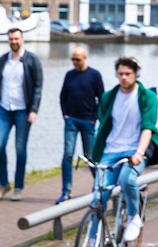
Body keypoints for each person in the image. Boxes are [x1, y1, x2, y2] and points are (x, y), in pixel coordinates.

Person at [87, 56, 158, 242]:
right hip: (111, 151)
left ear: (136, 74)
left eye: (128, 74)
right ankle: (91, 237)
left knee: (127, 178)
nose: (124, 78)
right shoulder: (108, 97)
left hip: (135, 150)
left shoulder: (148, 97)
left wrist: (139, 153)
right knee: (98, 196)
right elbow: (104, 124)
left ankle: (133, 218)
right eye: (120, 74)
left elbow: (148, 127)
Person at [0, 27, 44, 201]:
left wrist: (34, 110)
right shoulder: (3, 60)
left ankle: (18, 186)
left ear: (22, 39)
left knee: (20, 149)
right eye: (11, 39)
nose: (14, 42)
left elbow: (37, 87)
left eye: (16, 39)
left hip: (23, 110)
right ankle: (3, 184)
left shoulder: (31, 60)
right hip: (4, 109)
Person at [56, 46, 104, 204]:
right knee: (67, 155)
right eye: (73, 59)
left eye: (78, 59)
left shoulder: (94, 75)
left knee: (90, 156)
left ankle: (99, 186)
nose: (75, 62)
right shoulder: (69, 75)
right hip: (71, 121)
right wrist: (65, 115)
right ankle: (66, 191)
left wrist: (94, 118)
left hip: (88, 122)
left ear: (85, 58)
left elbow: (102, 98)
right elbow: (62, 96)